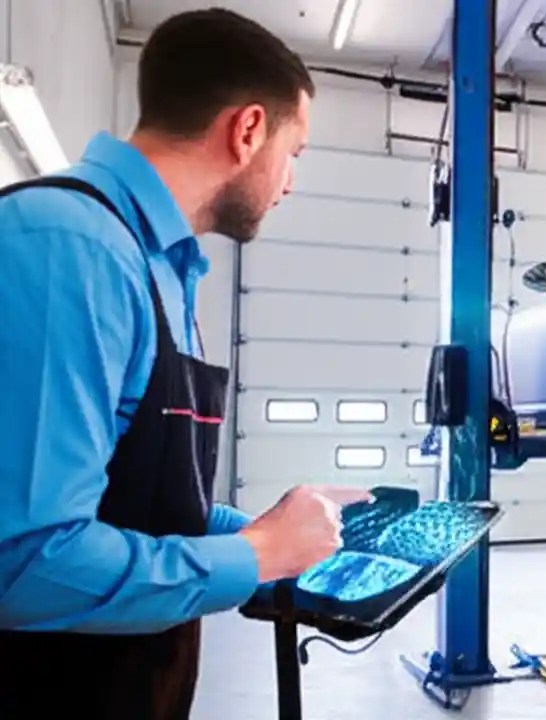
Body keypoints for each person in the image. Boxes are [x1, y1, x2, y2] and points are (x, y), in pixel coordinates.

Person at [0, 8, 369, 718]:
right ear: (248, 130)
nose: (290, 182)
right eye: (296, 153)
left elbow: (137, 495)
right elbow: (27, 562)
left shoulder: (165, 269)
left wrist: (267, 531)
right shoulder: (70, 247)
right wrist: (256, 557)